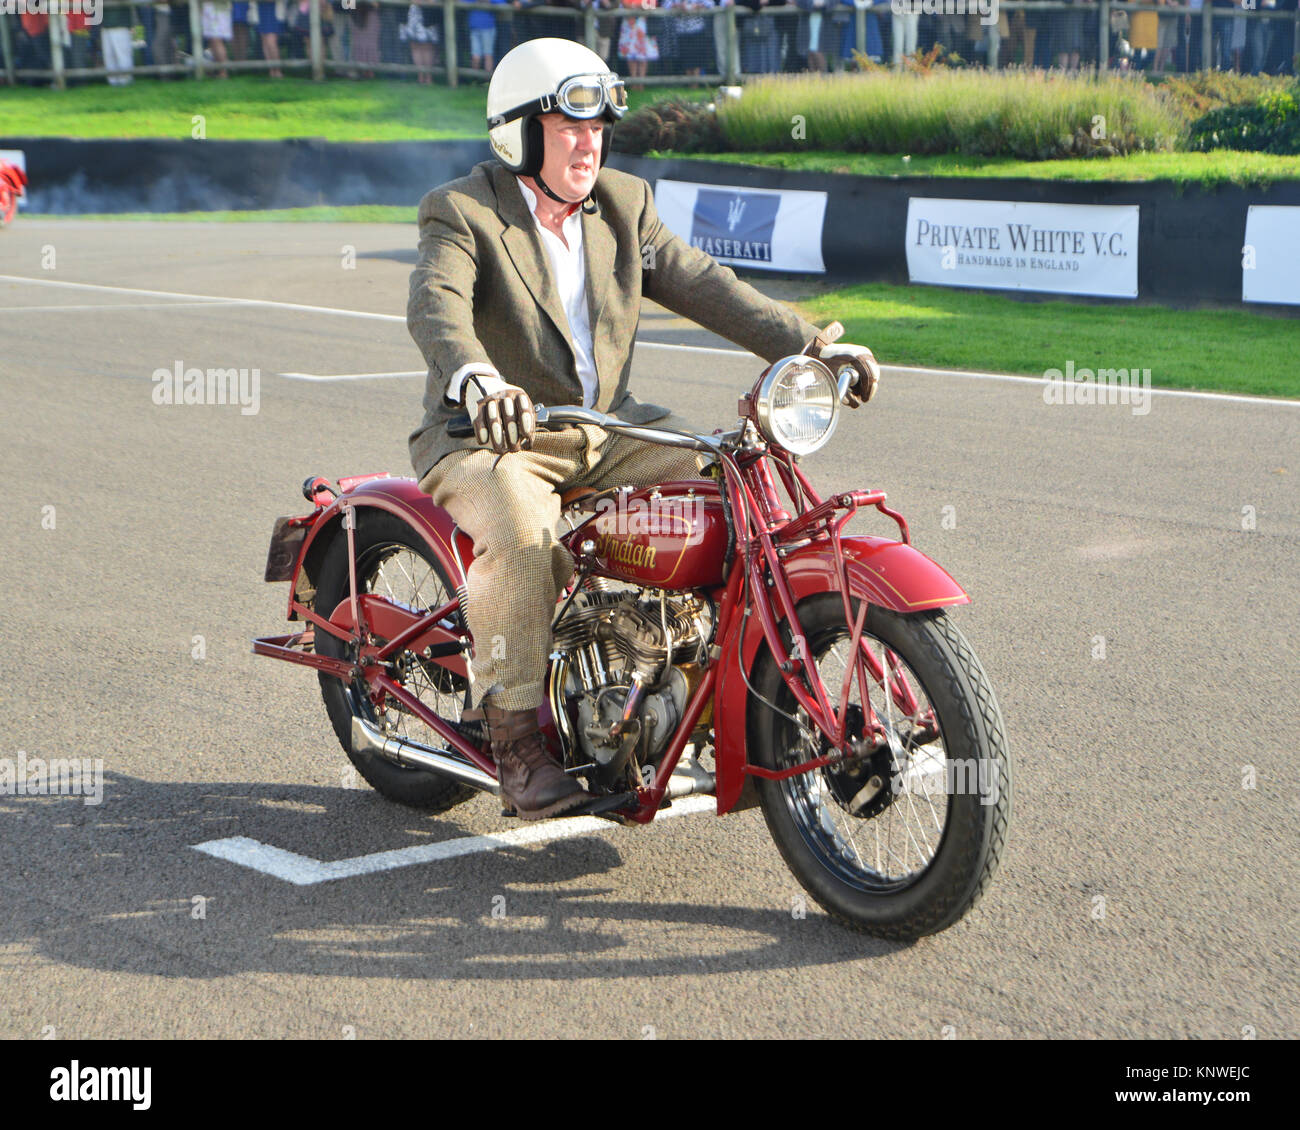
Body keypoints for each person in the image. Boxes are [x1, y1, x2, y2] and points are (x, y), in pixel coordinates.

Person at [406, 39, 880, 820]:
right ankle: (514, 738)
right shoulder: (463, 211)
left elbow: (705, 284)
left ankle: (692, 676)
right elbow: (437, 304)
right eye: (569, 128)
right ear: (519, 132)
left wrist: (811, 348)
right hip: (494, 436)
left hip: (605, 428)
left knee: (731, 481)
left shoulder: (623, 204)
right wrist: (478, 378)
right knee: (522, 536)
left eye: (597, 130)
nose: (588, 145)